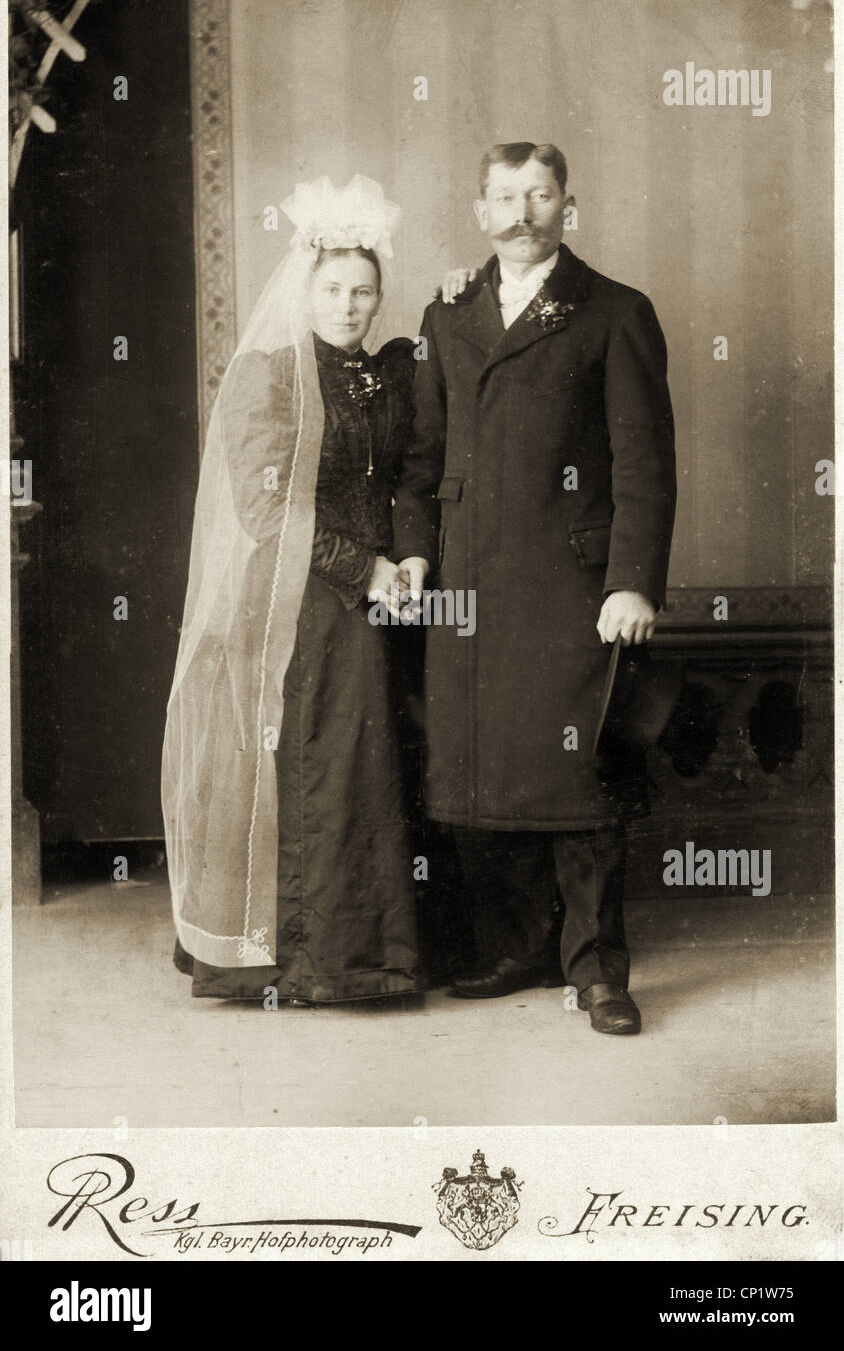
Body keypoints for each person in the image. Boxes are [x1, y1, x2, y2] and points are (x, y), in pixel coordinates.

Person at [393, 142, 677, 1035]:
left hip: (574, 583)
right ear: (480, 210)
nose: (523, 213)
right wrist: (413, 556)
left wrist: (632, 583)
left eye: (541, 195)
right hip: (466, 583)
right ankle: (515, 951)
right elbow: (420, 462)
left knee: (577, 777)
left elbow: (645, 467)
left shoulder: (615, 312)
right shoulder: (446, 315)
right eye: (506, 197)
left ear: (568, 207)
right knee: (484, 774)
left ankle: (599, 973)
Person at [162, 176, 421, 1004]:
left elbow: (415, 473)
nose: (349, 306)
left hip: (385, 607)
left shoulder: (386, 372)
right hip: (296, 606)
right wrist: (363, 569)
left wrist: (402, 565)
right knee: (315, 769)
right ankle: (306, 961)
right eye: (334, 290)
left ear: (380, 298)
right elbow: (267, 508)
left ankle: (373, 954)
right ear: (305, 290)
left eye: (364, 292)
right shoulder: (267, 376)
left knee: (370, 774)